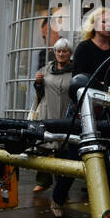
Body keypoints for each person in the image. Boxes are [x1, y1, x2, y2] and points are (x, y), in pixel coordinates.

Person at [49, 6, 110, 218]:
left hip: (106, 112)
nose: (108, 25)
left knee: (108, 162)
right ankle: (58, 197)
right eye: (104, 21)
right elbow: (78, 83)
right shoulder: (83, 48)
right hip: (82, 110)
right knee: (74, 158)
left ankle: (108, 215)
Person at [31, 38, 74, 192]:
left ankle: (61, 187)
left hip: (64, 111)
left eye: (64, 51)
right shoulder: (47, 68)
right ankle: (43, 181)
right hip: (46, 110)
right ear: (54, 52)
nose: (61, 54)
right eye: (58, 51)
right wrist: (37, 83)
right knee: (43, 146)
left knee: (62, 147)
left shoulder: (75, 71)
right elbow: (39, 91)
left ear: (70, 53)